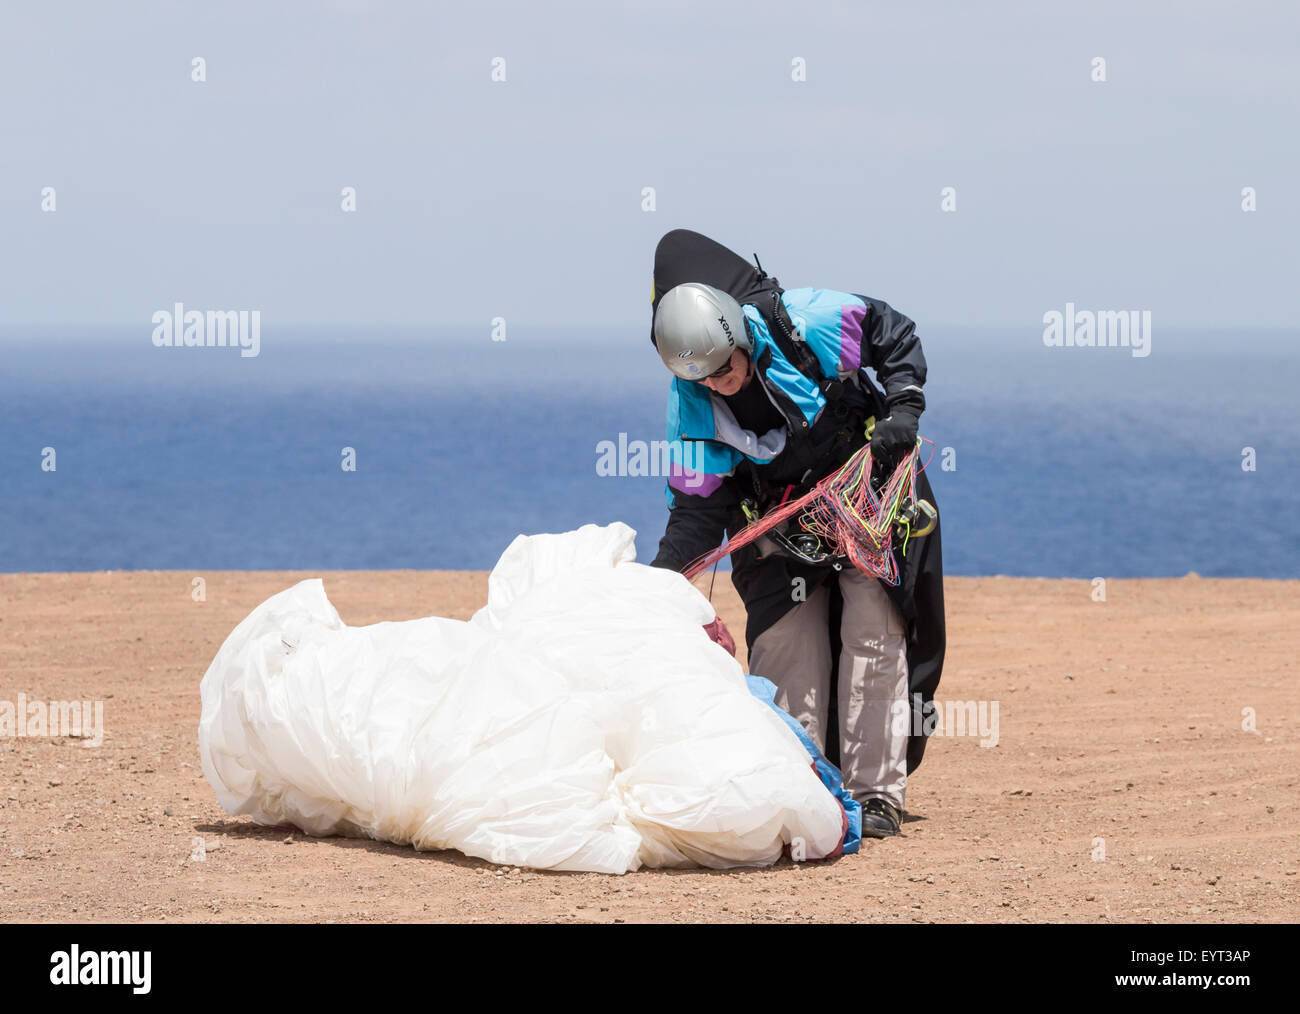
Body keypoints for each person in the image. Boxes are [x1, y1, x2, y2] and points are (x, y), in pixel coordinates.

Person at [646, 229, 946, 838]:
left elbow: (895, 335)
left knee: (873, 626)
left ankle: (876, 795)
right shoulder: (692, 405)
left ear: (738, 336)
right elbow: (696, 512)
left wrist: (902, 411)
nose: (718, 385)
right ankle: (802, 790)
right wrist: (652, 589)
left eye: (724, 369)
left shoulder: (802, 321)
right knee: (788, 645)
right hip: (778, 529)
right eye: (700, 379)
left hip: (865, 497)